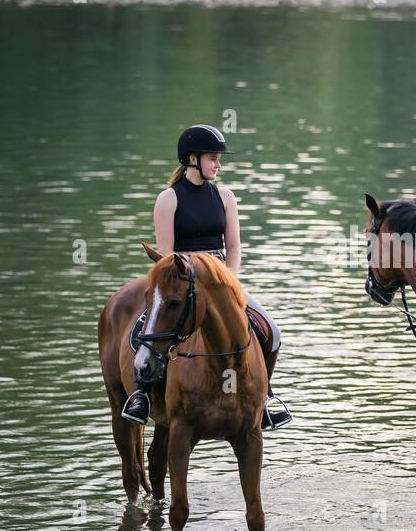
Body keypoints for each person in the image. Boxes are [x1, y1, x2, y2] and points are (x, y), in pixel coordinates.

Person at [121, 124, 291, 430]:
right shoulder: (168, 199)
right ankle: (142, 395)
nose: (218, 163)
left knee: (273, 332)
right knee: (142, 335)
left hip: (223, 283)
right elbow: (167, 257)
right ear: (191, 159)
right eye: (213, 157)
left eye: (218, 158)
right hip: (182, 285)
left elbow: (235, 246)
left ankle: (264, 399)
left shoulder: (225, 196)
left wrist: (232, 283)